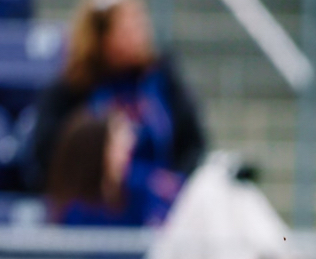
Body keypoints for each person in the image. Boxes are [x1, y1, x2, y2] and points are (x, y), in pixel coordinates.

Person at [28, 0, 205, 194]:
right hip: (93, 200)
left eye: (140, 22)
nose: (139, 33)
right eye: (127, 27)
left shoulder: (162, 77)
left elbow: (193, 145)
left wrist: (172, 184)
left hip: (161, 201)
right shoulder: (71, 88)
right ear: (100, 35)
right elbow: (49, 157)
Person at [44, 109, 182, 226]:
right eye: (117, 147)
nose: (129, 144)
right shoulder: (74, 213)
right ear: (96, 152)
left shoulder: (141, 188)